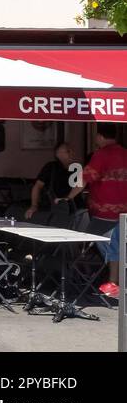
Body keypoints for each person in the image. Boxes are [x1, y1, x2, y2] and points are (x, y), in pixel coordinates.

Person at [77, 124, 127, 298]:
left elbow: (84, 179)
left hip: (104, 212)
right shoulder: (124, 153)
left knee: (92, 241)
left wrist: (68, 197)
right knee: (118, 245)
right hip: (124, 210)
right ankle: (114, 282)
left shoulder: (101, 155)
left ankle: (113, 283)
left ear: (100, 136)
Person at [26, 143, 80, 219]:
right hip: (54, 208)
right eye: (68, 151)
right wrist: (34, 206)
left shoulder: (77, 168)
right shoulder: (51, 167)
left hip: (74, 209)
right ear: (58, 154)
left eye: (71, 151)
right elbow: (37, 186)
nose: (71, 153)